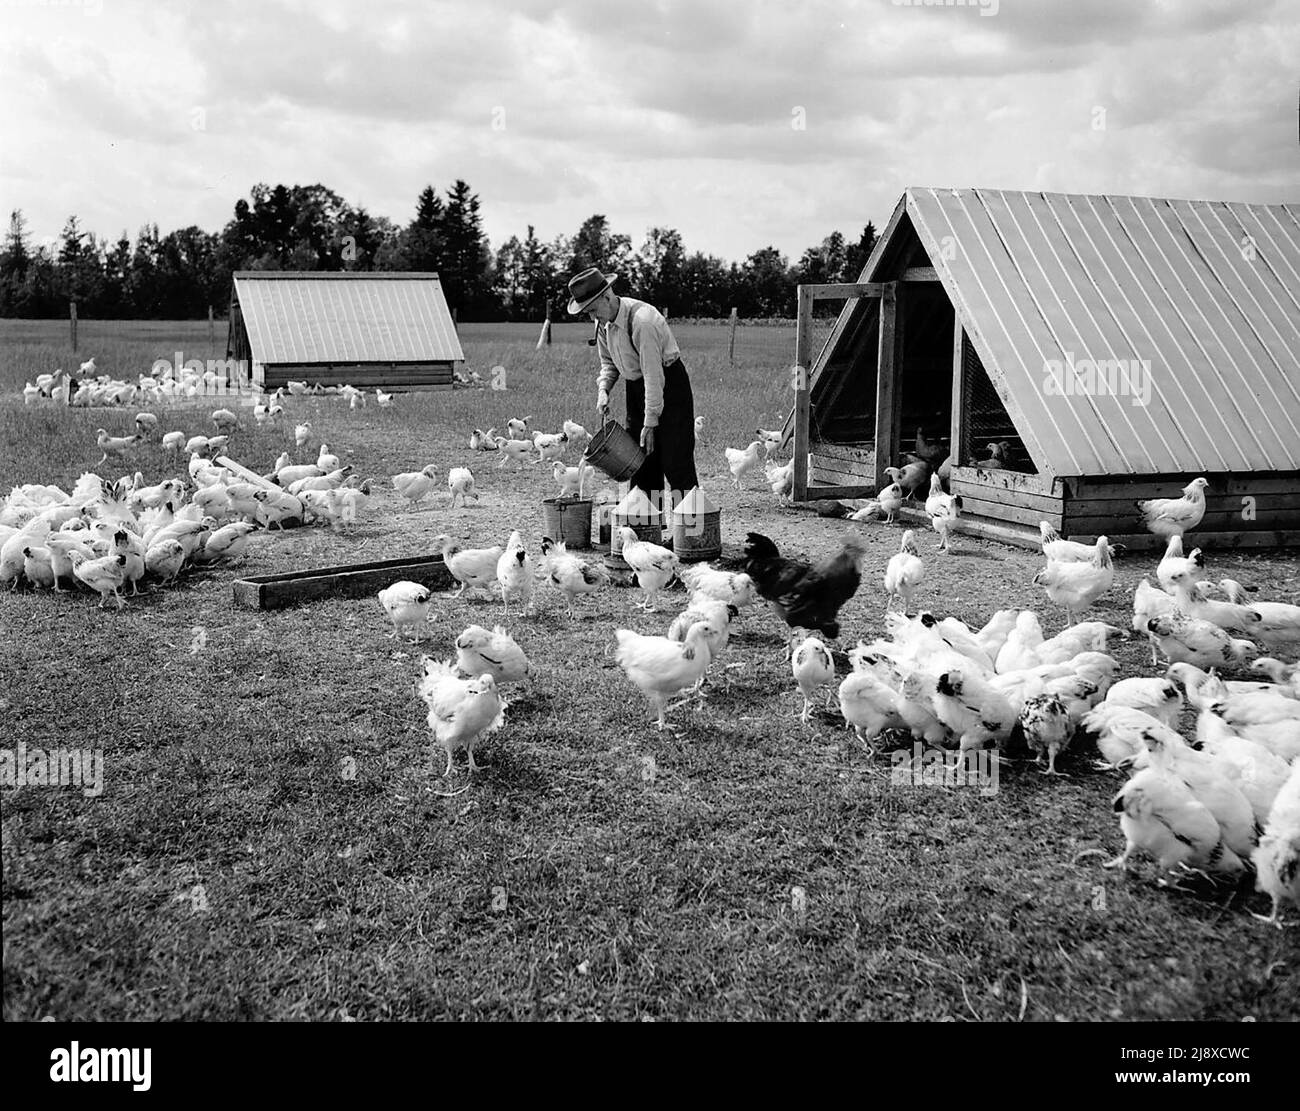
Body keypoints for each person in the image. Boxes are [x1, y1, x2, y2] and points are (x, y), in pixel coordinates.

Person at [566, 267, 699, 512]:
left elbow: (653, 375)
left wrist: (650, 423)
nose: (593, 318)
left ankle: (691, 534)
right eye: (588, 314)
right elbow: (608, 363)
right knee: (641, 460)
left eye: (594, 311)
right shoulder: (603, 323)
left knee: (675, 460)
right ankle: (647, 528)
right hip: (637, 388)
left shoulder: (642, 322)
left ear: (607, 297)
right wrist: (604, 389)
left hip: (669, 386)